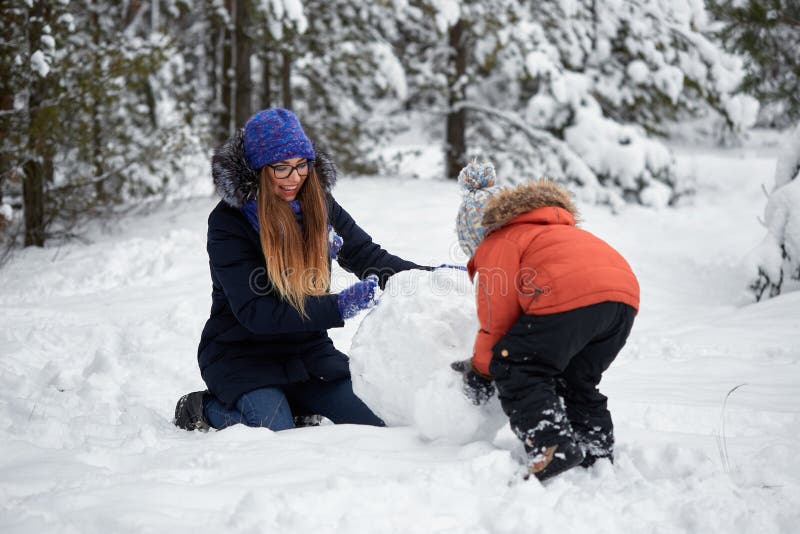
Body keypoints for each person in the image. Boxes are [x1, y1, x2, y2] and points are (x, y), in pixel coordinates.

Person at [174, 108, 430, 432]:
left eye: (301, 165)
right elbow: (257, 312)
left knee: (379, 418)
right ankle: (203, 407)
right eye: (281, 168)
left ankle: (300, 401)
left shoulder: (318, 203)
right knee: (274, 433)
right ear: (258, 170)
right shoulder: (228, 223)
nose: (295, 178)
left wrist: (430, 277)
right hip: (243, 357)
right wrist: (338, 306)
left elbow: (367, 255)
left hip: (307, 355)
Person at [450, 161, 640, 481]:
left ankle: (550, 445)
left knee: (516, 364)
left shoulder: (500, 241)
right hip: (622, 301)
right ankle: (596, 451)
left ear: (479, 234)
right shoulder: (553, 229)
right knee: (576, 377)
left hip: (570, 296)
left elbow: (497, 320)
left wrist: (482, 371)